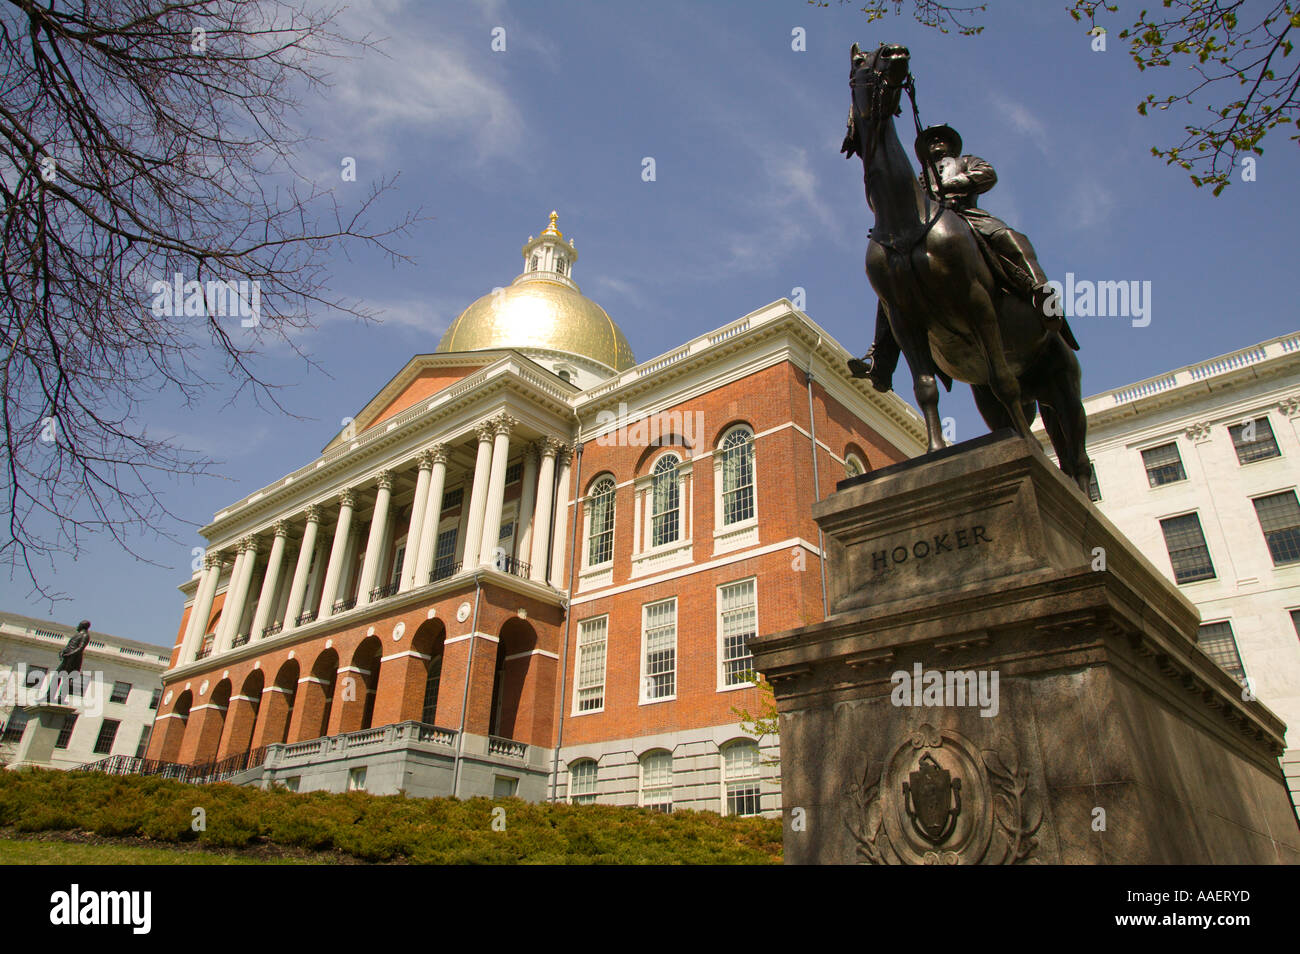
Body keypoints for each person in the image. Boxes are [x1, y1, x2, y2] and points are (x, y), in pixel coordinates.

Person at [856, 124, 1059, 393]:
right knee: (892, 289)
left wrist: (952, 183)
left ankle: (1042, 293)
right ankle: (881, 359)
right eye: (931, 140)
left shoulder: (966, 162)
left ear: (953, 145)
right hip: (929, 229)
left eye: (942, 139)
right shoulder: (919, 178)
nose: (936, 143)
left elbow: (987, 175)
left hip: (967, 218)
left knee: (1009, 237)